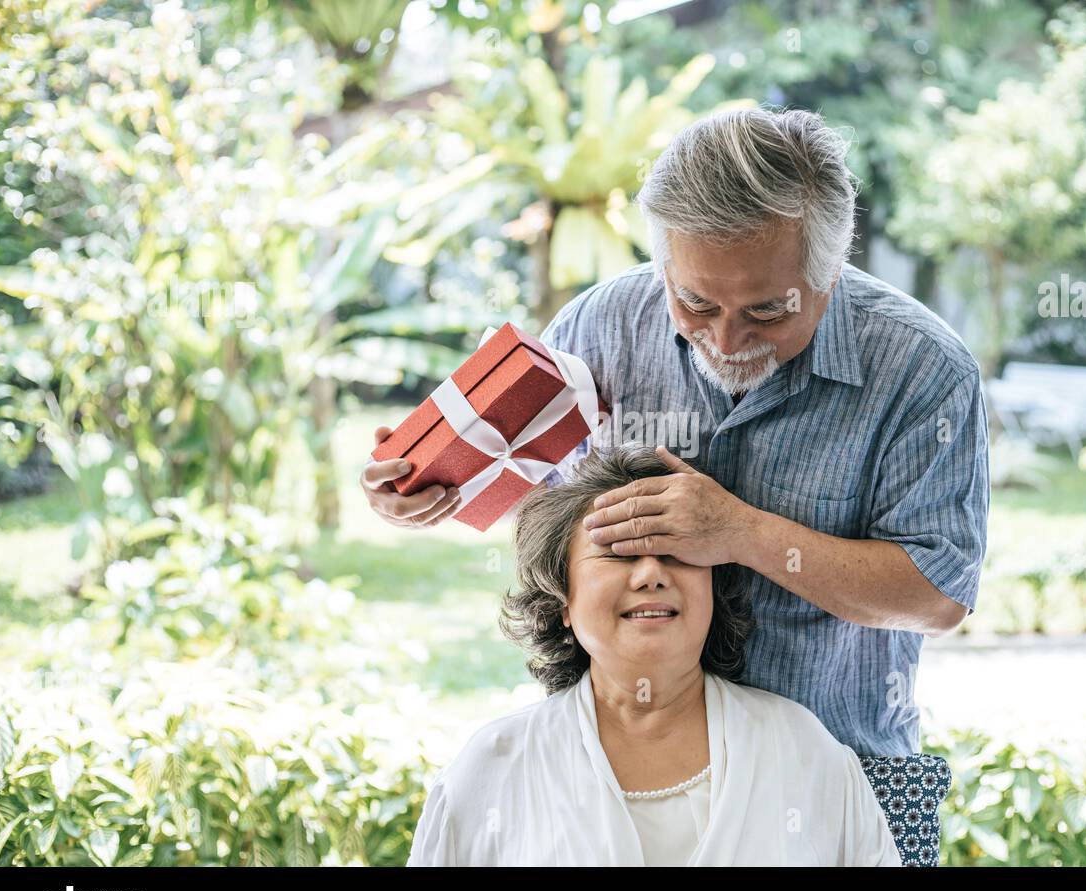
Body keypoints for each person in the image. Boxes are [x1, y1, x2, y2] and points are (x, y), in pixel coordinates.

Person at [365, 105, 988, 812]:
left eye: (766, 313)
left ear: (832, 272)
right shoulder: (596, 329)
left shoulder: (923, 370)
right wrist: (423, 487)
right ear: (663, 260)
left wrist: (743, 534)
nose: (725, 339)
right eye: (694, 301)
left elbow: (937, 597)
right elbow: (542, 508)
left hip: (840, 782)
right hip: (615, 777)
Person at [405, 445, 901, 866]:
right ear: (562, 604)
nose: (649, 576)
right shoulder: (493, 766)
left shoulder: (801, 749)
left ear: (713, 589)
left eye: (675, 552)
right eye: (617, 553)